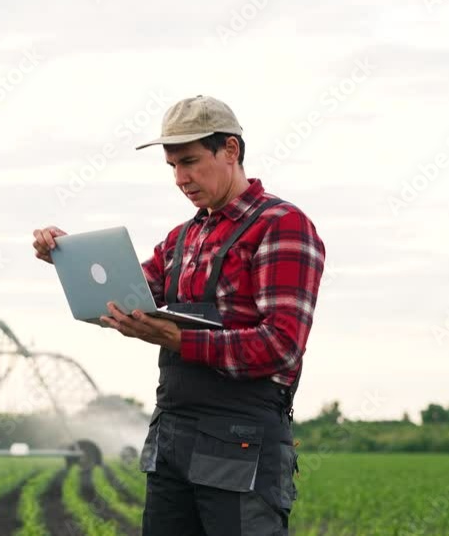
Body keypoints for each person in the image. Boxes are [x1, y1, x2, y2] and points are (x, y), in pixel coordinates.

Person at [31, 95, 325, 535]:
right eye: (172, 167)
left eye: (189, 162)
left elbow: (280, 346)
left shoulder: (281, 225)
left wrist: (177, 339)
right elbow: (122, 295)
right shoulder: (182, 238)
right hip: (171, 439)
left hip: (242, 447)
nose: (180, 179)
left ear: (230, 150)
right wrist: (66, 256)